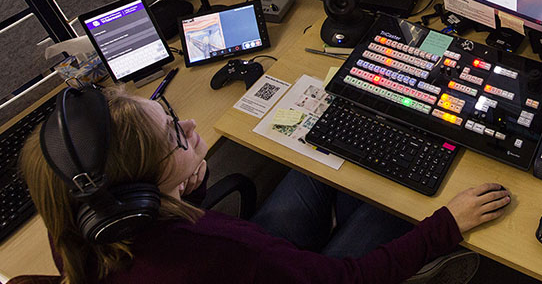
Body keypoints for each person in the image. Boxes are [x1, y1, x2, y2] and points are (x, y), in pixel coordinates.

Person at [19, 86, 512, 284]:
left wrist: (178, 182)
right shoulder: (216, 249)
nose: (190, 124)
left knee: (318, 163)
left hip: (257, 267)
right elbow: (347, 280)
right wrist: (447, 224)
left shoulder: (79, 224)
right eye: (173, 135)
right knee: (391, 203)